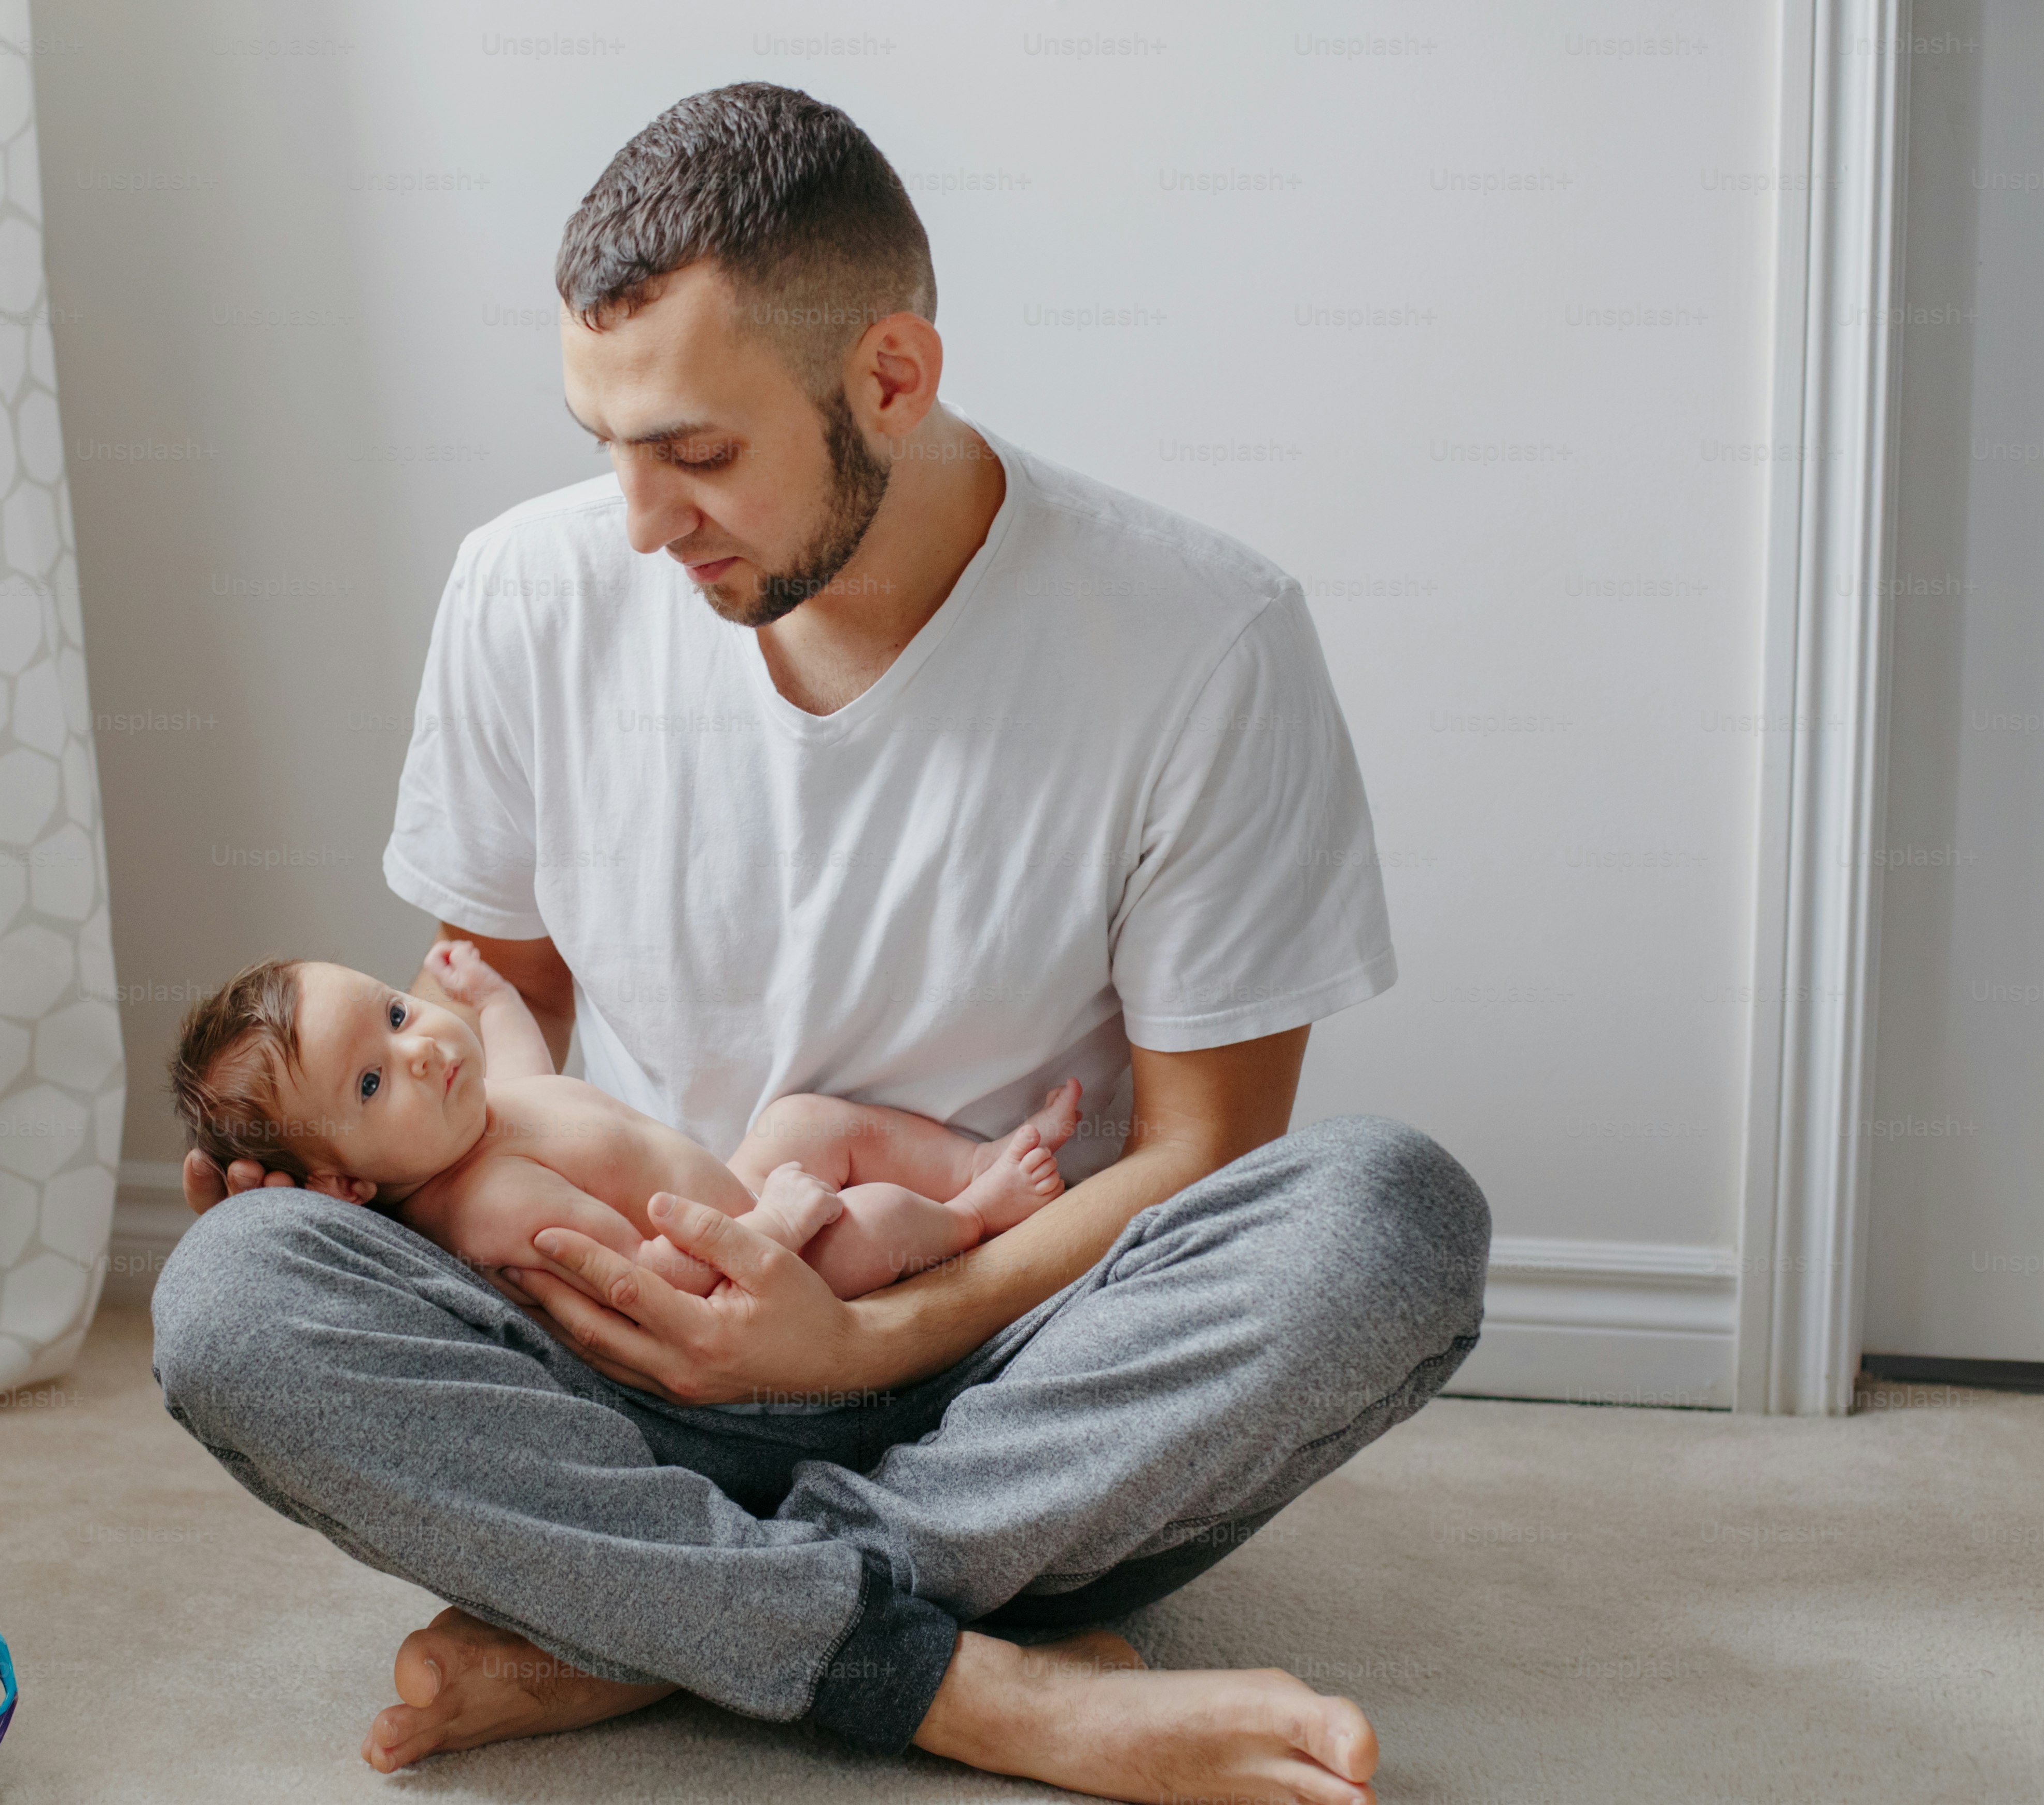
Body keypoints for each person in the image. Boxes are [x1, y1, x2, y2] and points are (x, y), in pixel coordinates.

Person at [156, 82, 1488, 1805]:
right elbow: (488, 1026)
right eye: (605, 444)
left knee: (1388, 1220)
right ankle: (974, 1685)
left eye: (699, 453)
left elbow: (1207, 1152)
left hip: (1006, 1383)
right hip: (620, 1348)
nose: (641, 521)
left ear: (890, 378)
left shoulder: (1200, 641)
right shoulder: (522, 593)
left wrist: (859, 1344)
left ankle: (643, 1618)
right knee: (228, 1301)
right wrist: (331, 1174)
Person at [166, 941, 1080, 1301]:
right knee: (872, 1219)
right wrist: (778, 1227)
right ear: (344, 1185)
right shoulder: (492, 1205)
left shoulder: (479, 1115)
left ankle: (972, 1159)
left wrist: (488, 994)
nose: (419, 1048)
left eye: (395, 1014)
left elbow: (523, 1060)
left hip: (742, 1193)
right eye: (370, 1084)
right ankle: (976, 1216)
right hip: (753, 1272)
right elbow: (646, 1283)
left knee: (805, 1118)